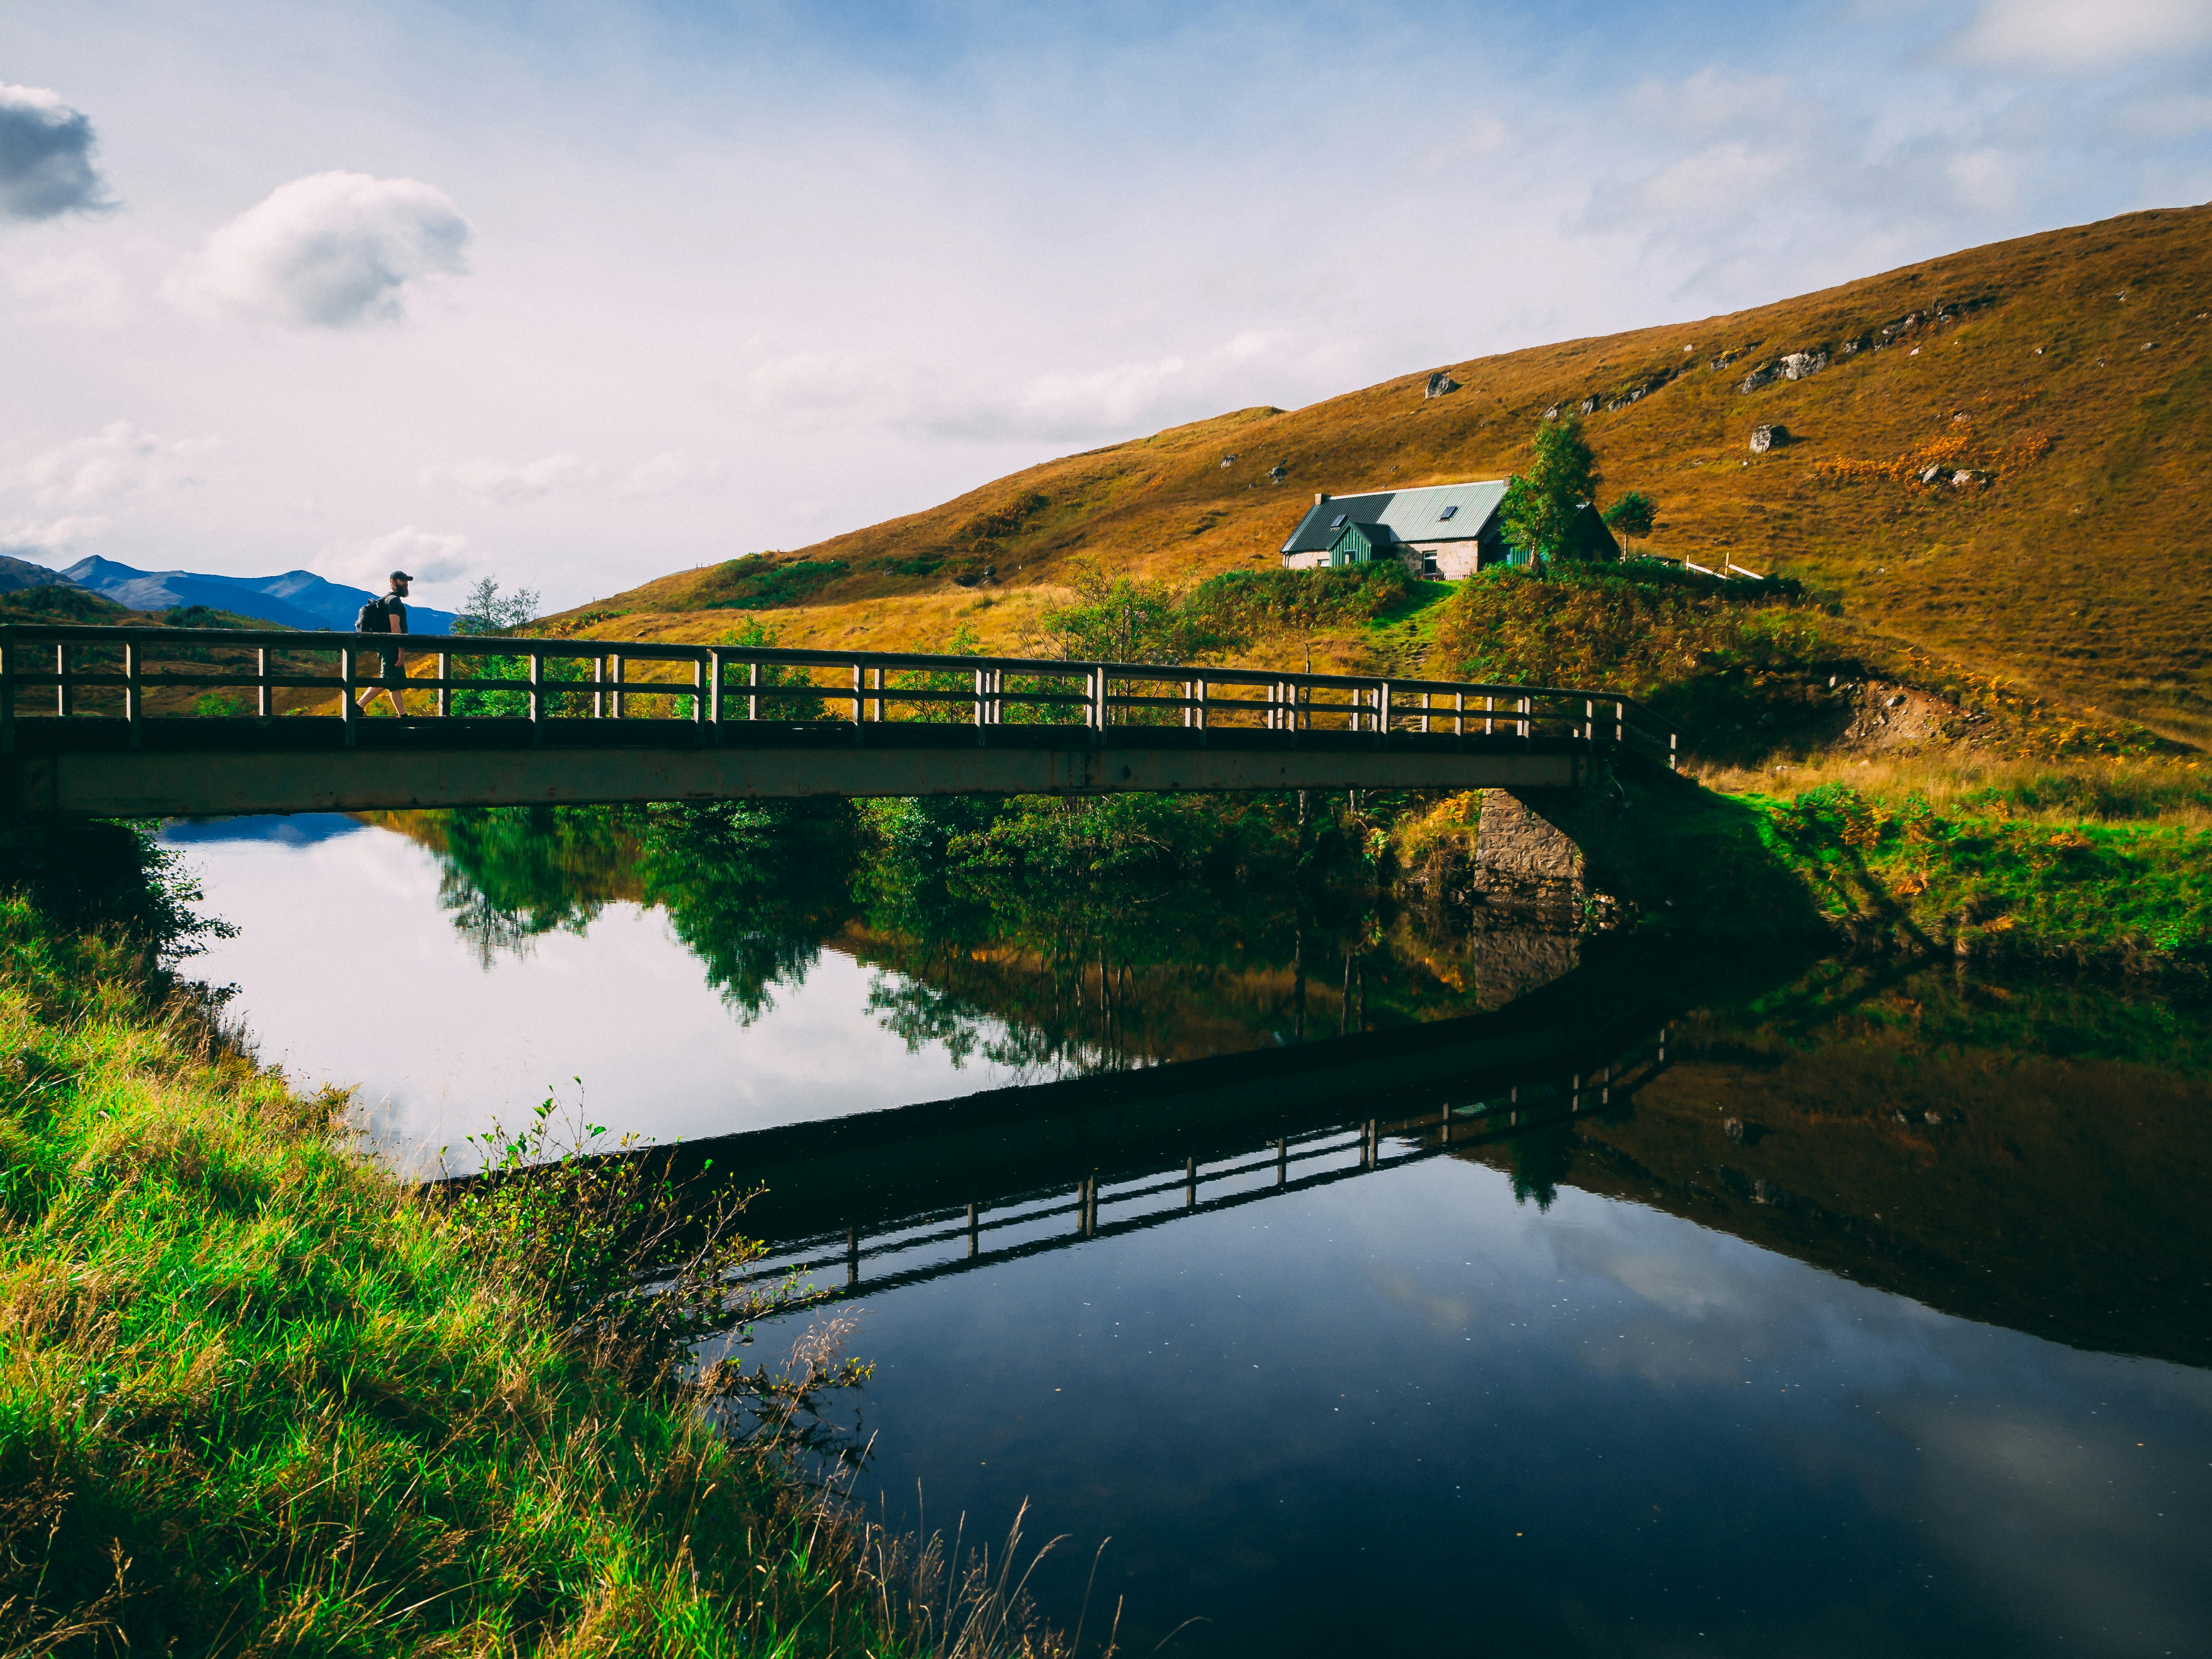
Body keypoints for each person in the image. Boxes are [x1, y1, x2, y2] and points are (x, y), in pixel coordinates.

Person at [354, 570, 413, 717]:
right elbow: (395, 627)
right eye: (401, 581)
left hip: (386, 645)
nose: (405, 584)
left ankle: (403, 715)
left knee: (393, 682)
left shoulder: (388, 600)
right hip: (391, 646)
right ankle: (357, 706)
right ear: (393, 583)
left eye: (406, 581)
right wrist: (401, 650)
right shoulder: (394, 601)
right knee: (387, 679)